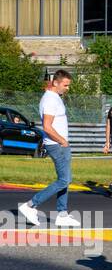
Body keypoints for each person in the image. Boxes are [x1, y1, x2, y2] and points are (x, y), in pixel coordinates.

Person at [17, 70, 79, 229]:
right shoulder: (50, 100)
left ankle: (62, 214)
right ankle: (30, 205)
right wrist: (62, 141)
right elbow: (47, 126)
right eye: (65, 85)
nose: (67, 88)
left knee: (66, 179)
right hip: (56, 145)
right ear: (56, 83)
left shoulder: (54, 98)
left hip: (59, 144)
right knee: (64, 179)